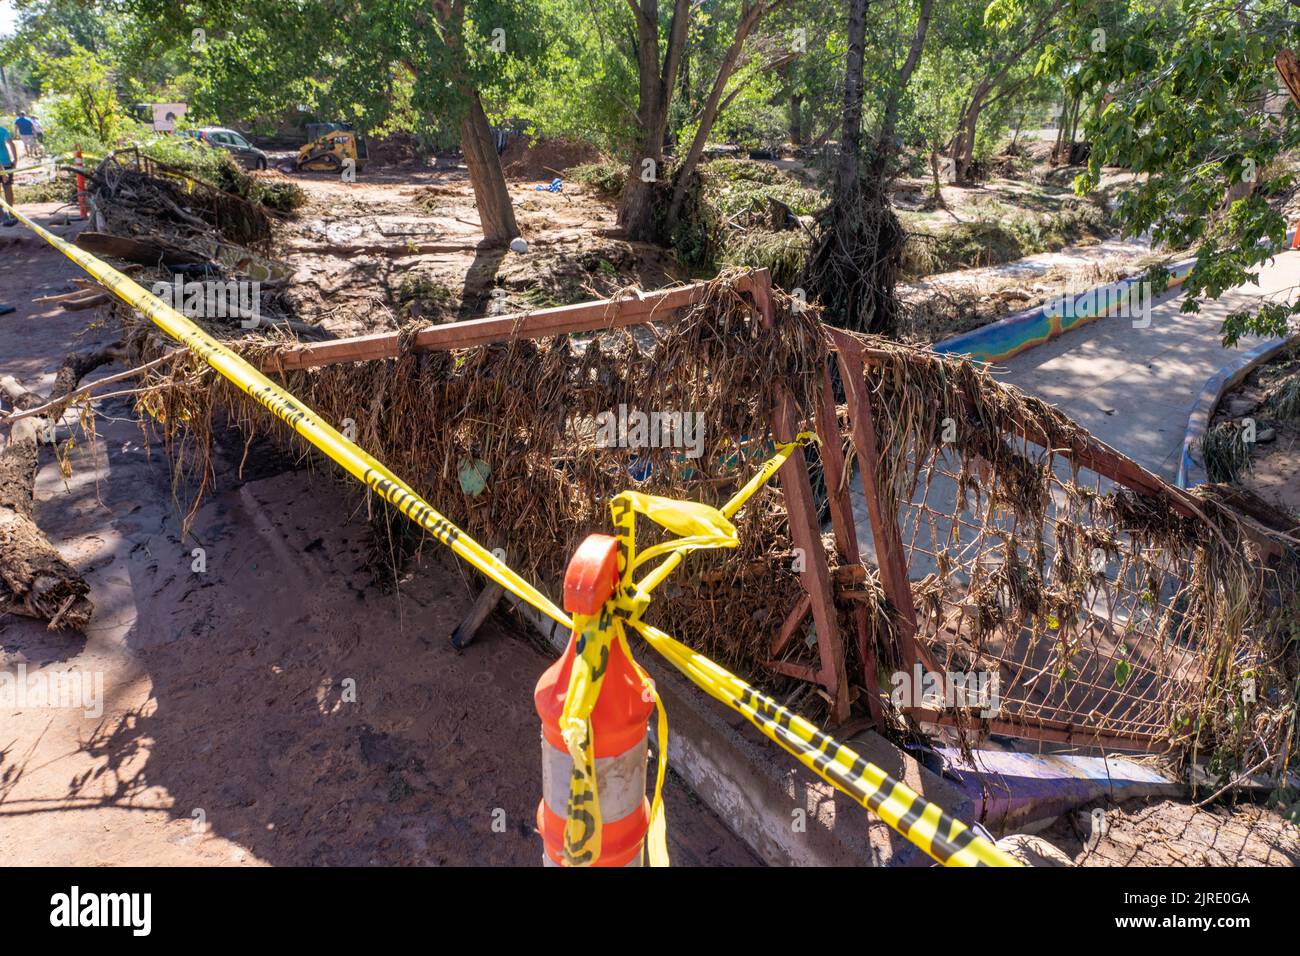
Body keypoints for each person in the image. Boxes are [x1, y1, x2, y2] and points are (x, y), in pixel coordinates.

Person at [0, 120, 17, 227]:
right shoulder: (2, 130)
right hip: (6, 163)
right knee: (8, 188)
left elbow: (11, 143)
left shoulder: (3, 130)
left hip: (5, 164)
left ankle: (5, 214)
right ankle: (10, 213)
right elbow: (11, 144)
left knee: (8, 188)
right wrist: (15, 159)